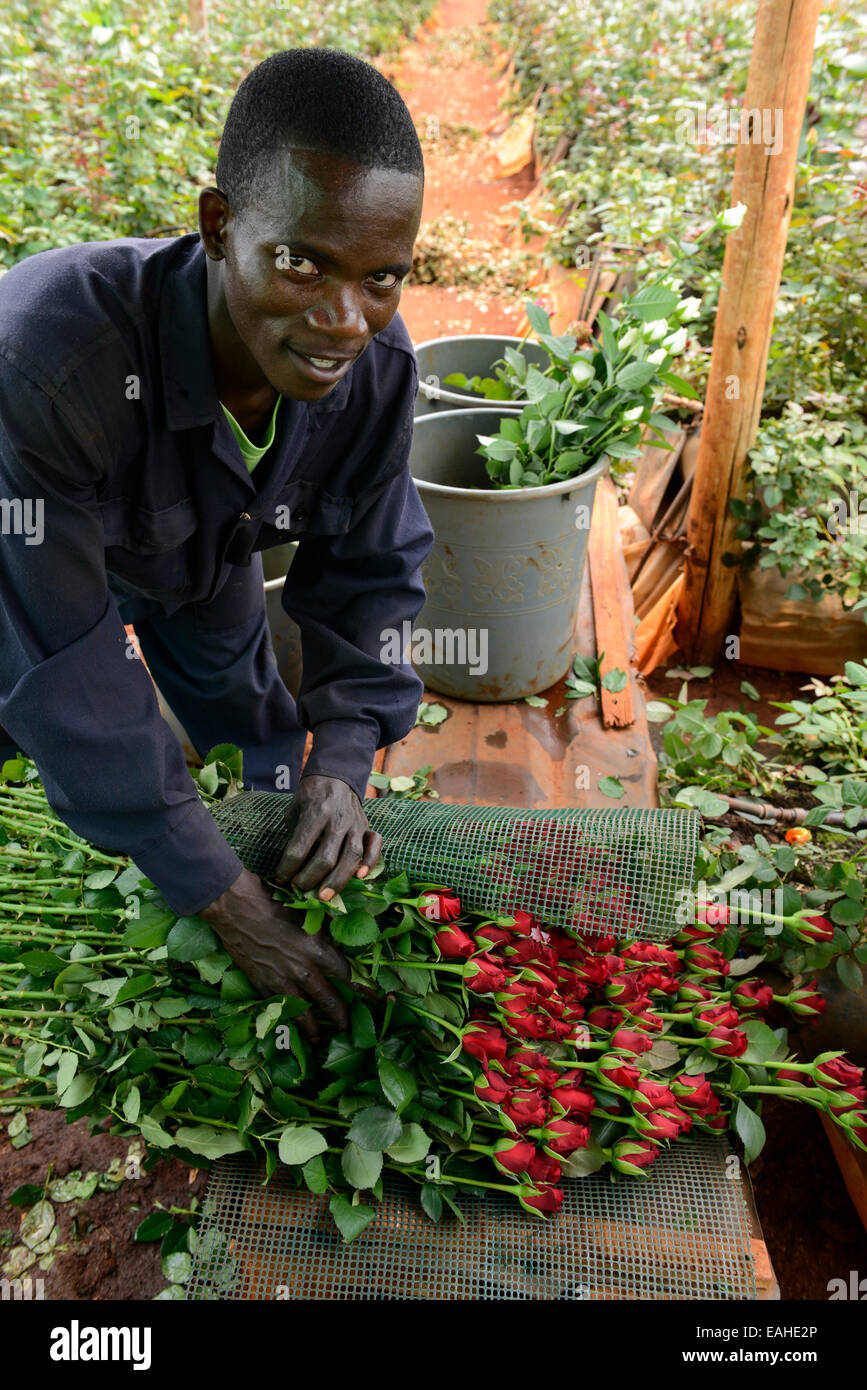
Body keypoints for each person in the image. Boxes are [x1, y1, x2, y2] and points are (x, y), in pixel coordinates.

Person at [0, 48, 433, 1036]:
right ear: (219, 224)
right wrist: (223, 898)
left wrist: (346, 759)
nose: (342, 319)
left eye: (382, 277)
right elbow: (70, 665)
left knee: (263, 742)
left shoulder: (372, 365)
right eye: (304, 263)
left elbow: (369, 571)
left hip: (194, 552)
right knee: (37, 718)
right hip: (21, 534)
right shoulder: (52, 357)